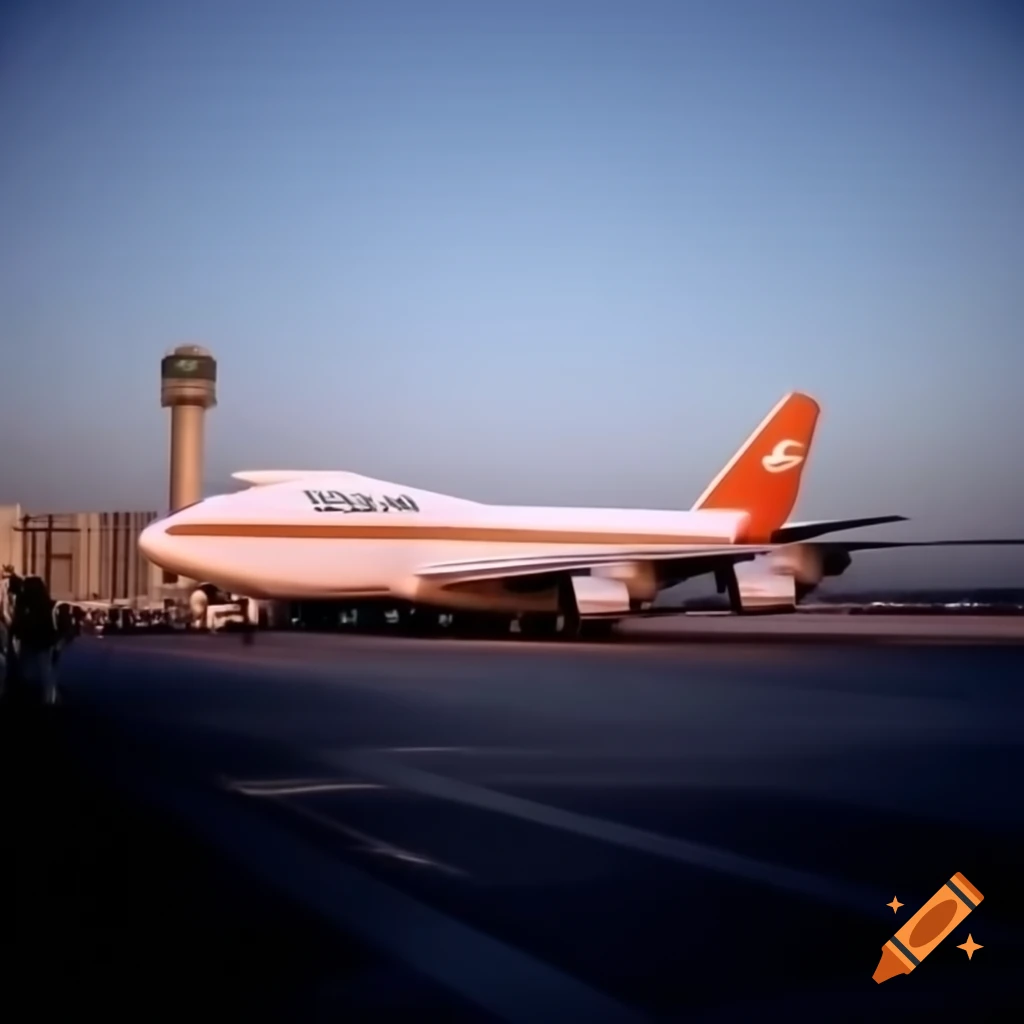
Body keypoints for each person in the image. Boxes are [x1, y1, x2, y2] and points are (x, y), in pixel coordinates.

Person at [10, 575, 59, 706]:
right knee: (45, 670)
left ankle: (35, 697)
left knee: (28, 670)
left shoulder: (24, 601)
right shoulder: (47, 604)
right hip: (41, 640)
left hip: (31, 639)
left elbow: (18, 620)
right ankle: (49, 699)